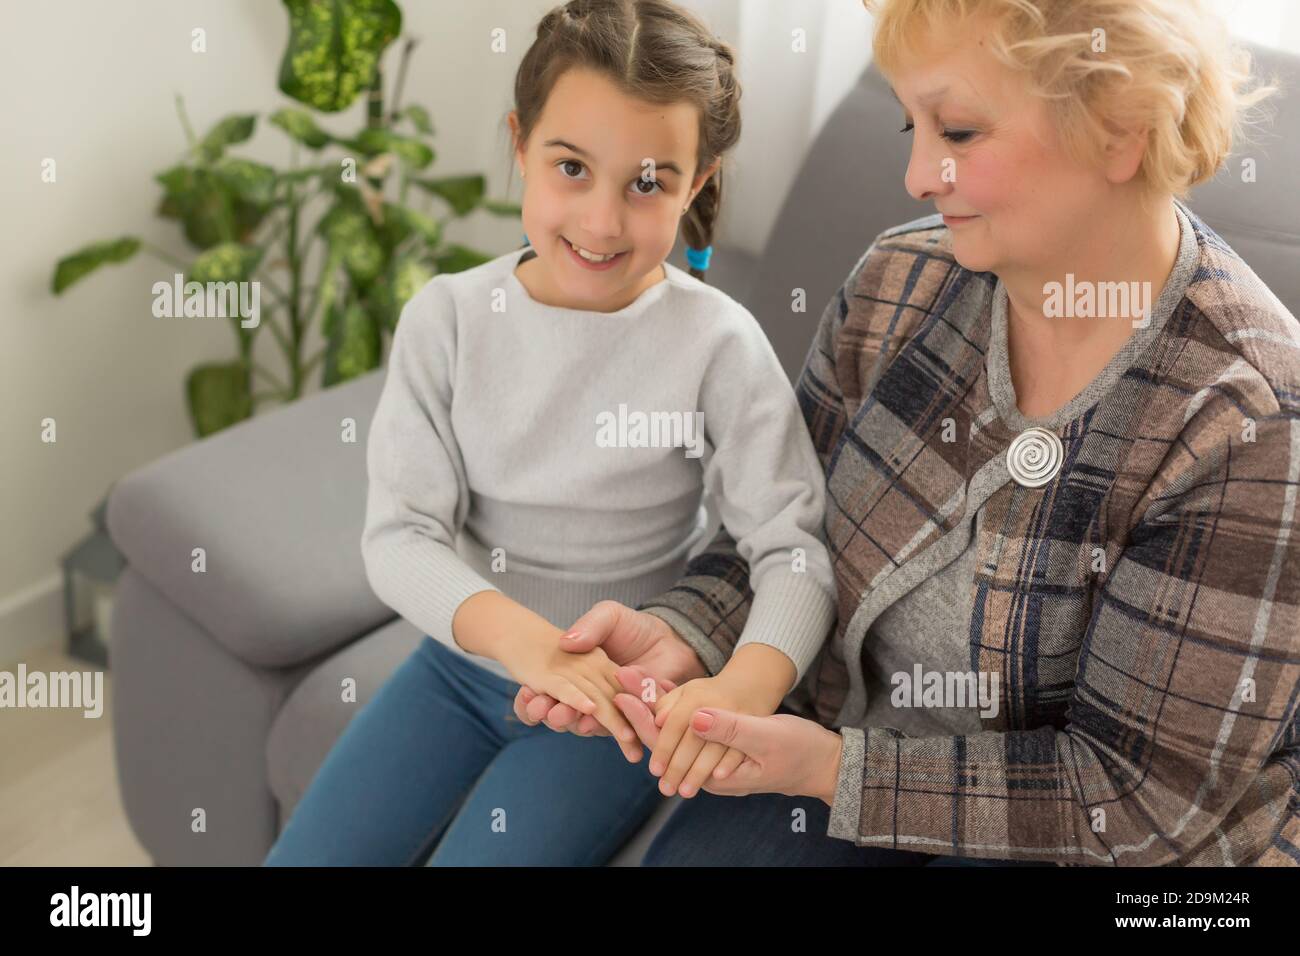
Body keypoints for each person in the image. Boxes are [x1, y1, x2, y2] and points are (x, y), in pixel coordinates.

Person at [518, 0, 1300, 866]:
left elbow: (1131, 797)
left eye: (959, 131)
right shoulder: (900, 281)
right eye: (911, 126)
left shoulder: (1246, 418)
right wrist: (687, 633)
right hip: (857, 745)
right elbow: (784, 528)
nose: (920, 175)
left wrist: (834, 771)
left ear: (1120, 129)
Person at [263, 0, 837, 867]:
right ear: (521, 145)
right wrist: (532, 649)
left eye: (648, 182)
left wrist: (732, 691)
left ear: (699, 181)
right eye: (572, 167)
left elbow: (792, 547)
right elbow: (400, 536)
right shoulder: (447, 319)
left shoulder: (718, 344)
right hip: (458, 675)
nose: (603, 222)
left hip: (613, 712)